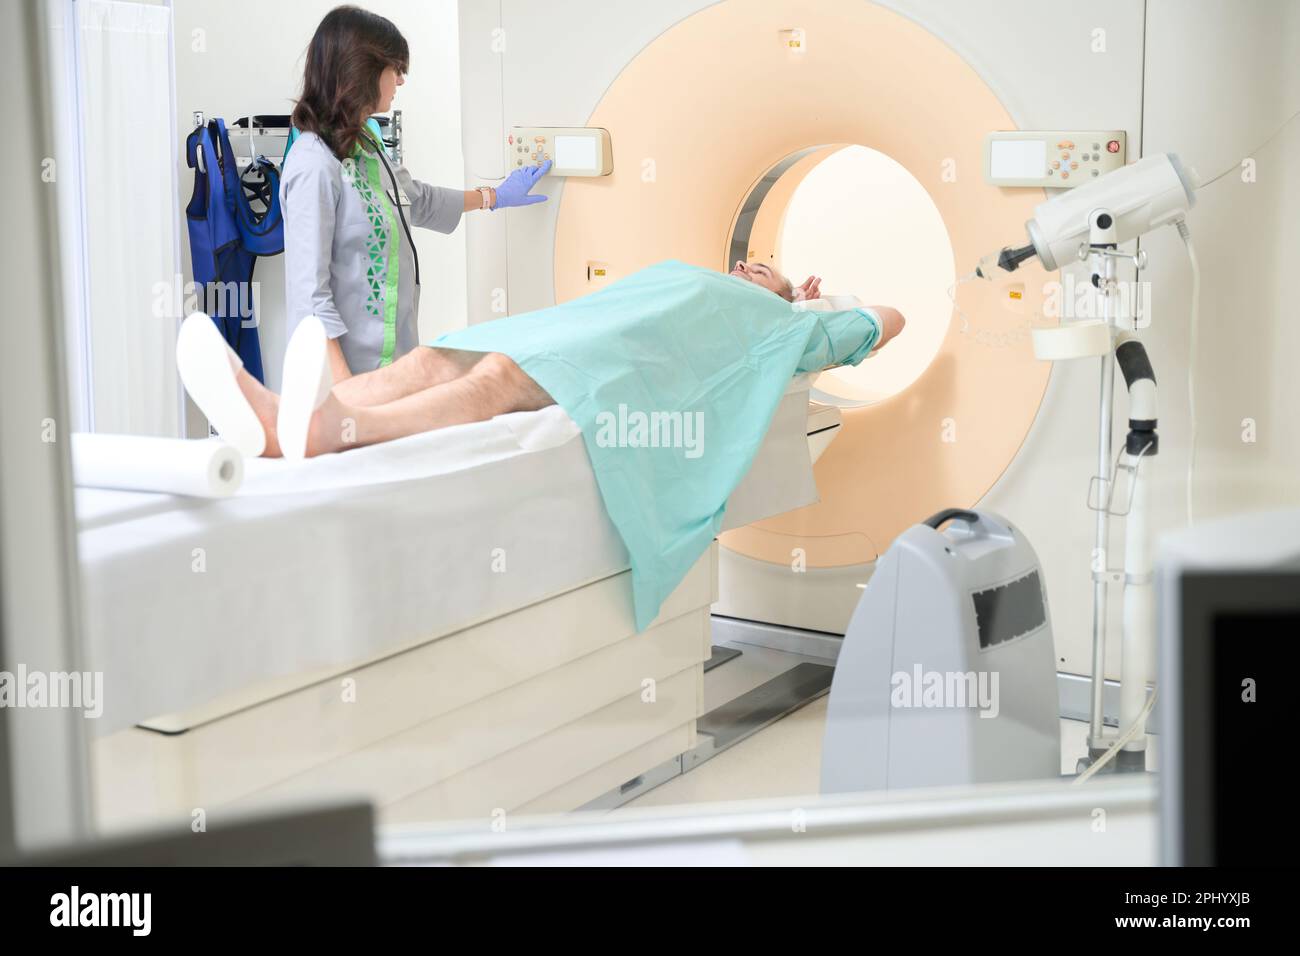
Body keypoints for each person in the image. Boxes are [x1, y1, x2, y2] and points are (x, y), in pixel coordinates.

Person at [177, 259, 905, 459]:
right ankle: (286, 418)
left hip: (627, 365)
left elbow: (888, 319)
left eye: (765, 268)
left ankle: (339, 431)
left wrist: (806, 306)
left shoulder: (784, 331)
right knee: (442, 353)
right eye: (745, 260)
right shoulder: (694, 277)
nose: (748, 264)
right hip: (579, 327)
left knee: (498, 379)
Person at [282, 5, 550, 382]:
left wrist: (494, 196)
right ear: (362, 72)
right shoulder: (313, 165)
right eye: (395, 69)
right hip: (343, 378)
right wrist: (347, 396)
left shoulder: (367, 144)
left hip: (393, 362)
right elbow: (311, 298)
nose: (400, 82)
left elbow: (415, 200)